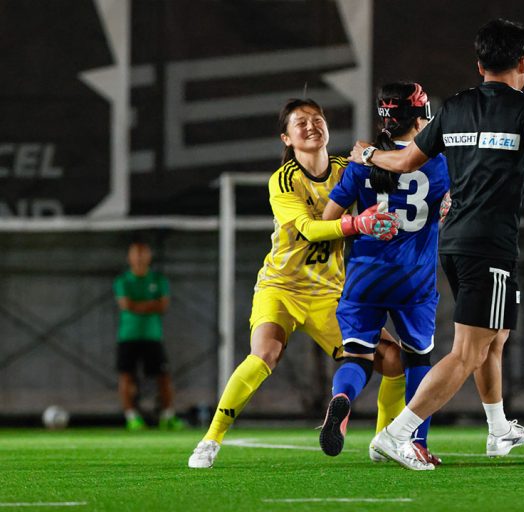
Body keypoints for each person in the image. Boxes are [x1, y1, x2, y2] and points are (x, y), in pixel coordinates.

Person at [350, 18, 524, 470]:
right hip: (489, 245)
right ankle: (396, 434)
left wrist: (366, 154)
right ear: (522, 63)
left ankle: (499, 430)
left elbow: (403, 161)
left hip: (456, 242)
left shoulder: (454, 107)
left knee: (494, 337)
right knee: (468, 351)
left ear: (480, 64)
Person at [188, 98, 401, 468]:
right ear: (286, 138)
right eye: (300, 123)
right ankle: (210, 440)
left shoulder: (345, 170)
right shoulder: (284, 179)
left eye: (317, 119)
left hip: (330, 292)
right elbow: (308, 229)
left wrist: (437, 198)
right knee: (264, 354)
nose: (311, 126)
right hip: (281, 288)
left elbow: (389, 192)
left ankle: (384, 440)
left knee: (394, 359)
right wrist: (356, 224)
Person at [317, 82, 448, 465]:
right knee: (418, 360)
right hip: (414, 277)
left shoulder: (360, 161)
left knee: (357, 357)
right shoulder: (440, 161)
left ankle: (341, 399)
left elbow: (329, 219)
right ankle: (415, 442)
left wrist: (360, 222)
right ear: (420, 115)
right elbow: (452, 205)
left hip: (365, 273)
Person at [114, 240, 182, 431]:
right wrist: (149, 305)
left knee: (163, 376)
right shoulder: (123, 280)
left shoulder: (158, 280)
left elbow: (162, 306)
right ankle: (131, 417)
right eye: (135, 253)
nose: (139, 258)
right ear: (129, 257)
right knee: (126, 376)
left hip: (152, 336)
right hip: (128, 336)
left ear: (149, 256)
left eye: (143, 253)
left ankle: (167, 416)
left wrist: (138, 306)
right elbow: (126, 305)